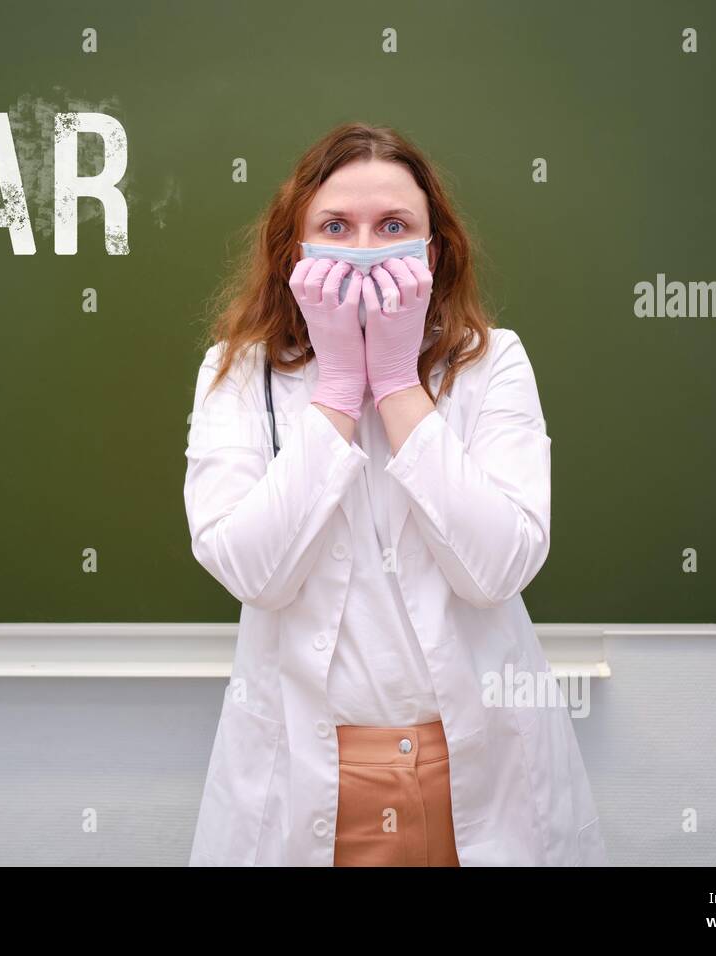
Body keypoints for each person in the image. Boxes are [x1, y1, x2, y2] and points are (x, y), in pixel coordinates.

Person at [183, 122, 607, 866]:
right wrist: (341, 389)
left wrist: (400, 387)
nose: (367, 249)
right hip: (304, 772)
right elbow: (253, 573)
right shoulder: (239, 372)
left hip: (477, 770)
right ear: (295, 251)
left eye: (394, 227)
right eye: (336, 227)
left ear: (432, 253)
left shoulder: (492, 364)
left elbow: (498, 569)